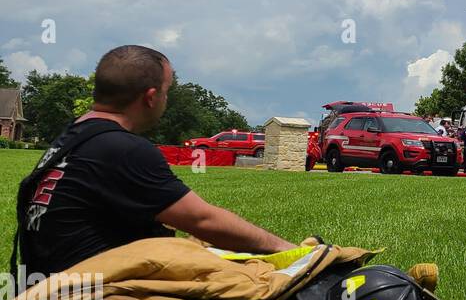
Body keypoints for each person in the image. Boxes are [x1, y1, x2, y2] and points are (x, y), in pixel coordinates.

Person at [14, 45, 296, 280]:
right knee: (252, 280)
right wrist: (285, 250)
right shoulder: (122, 148)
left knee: (203, 250)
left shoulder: (74, 136)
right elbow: (204, 220)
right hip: (90, 297)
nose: (166, 98)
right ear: (150, 97)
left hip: (48, 280)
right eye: (166, 90)